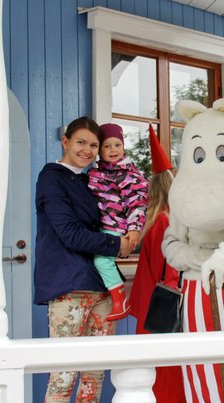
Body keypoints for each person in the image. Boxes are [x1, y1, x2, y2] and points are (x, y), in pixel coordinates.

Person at [34, 116, 129, 403]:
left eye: (94, 145)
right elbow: (71, 234)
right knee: (64, 374)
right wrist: (117, 244)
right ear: (65, 142)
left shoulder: (93, 181)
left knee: (94, 374)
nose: (87, 150)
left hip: (102, 288)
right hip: (69, 286)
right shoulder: (52, 178)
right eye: (80, 142)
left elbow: (116, 215)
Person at [130, 124, 186, 403]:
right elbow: (171, 269)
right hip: (163, 311)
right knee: (167, 376)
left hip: (149, 307)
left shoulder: (153, 220)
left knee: (150, 374)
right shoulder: (166, 221)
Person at [88, 123, 149, 321]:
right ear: (99, 150)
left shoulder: (130, 175)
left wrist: (135, 228)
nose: (113, 150)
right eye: (107, 146)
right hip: (100, 226)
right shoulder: (96, 173)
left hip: (117, 225)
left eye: (117, 145)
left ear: (123, 147)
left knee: (102, 260)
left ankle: (120, 301)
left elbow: (137, 203)